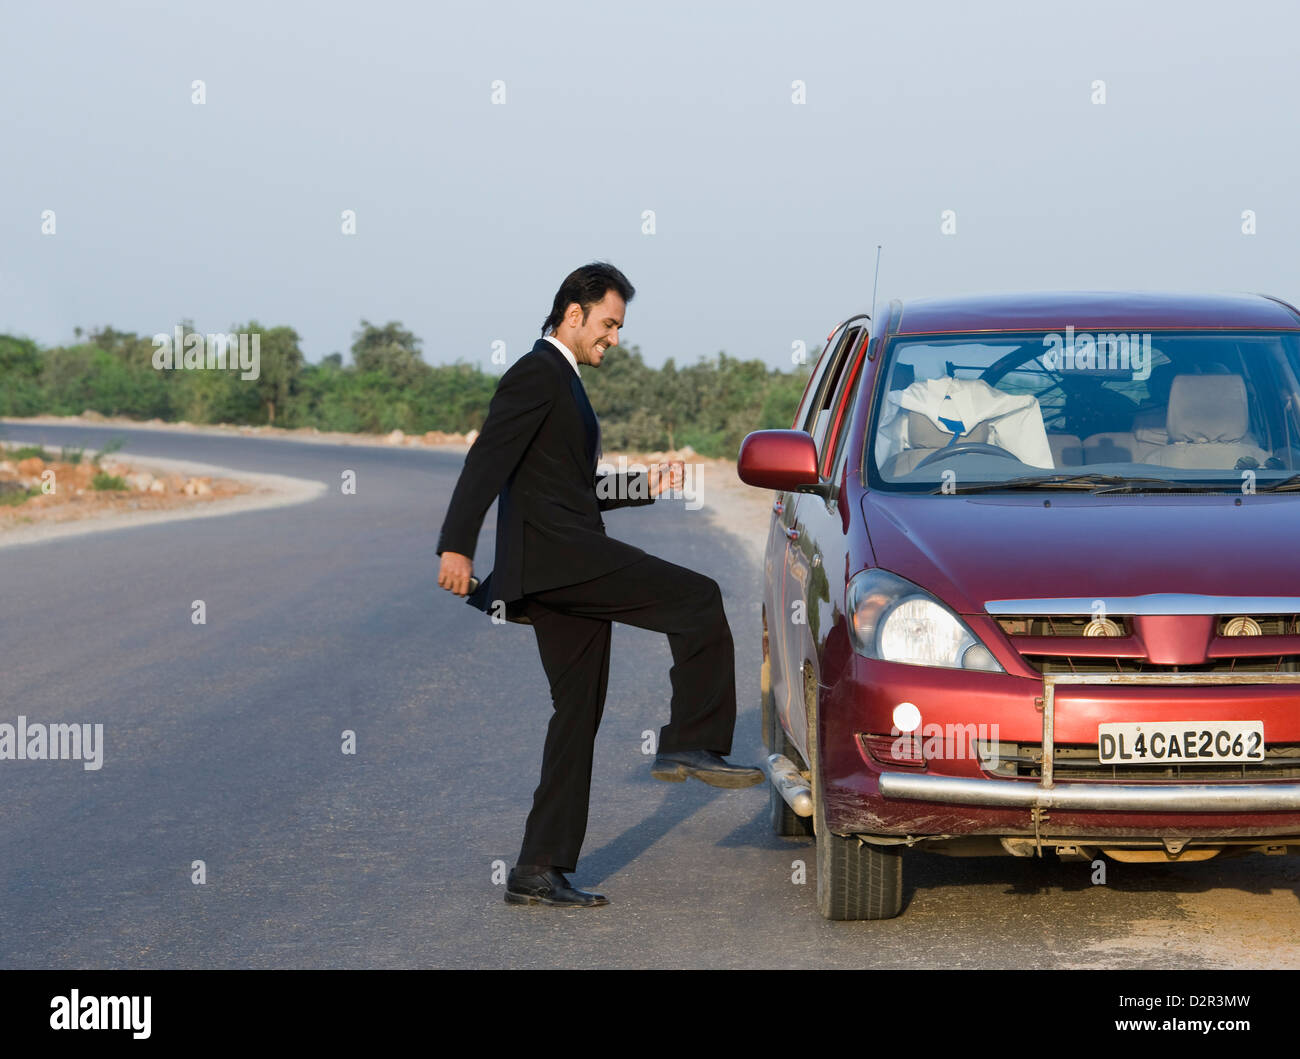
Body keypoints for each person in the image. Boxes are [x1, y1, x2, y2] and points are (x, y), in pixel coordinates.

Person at [436, 262, 762, 908]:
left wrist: (643, 485)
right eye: (609, 324)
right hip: (564, 561)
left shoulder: (564, 382)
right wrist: (456, 543)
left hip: (560, 561)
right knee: (696, 598)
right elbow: (487, 458)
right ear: (572, 314)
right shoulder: (537, 372)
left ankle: (537, 866)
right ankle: (692, 739)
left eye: (619, 327)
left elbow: (569, 492)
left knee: (576, 714)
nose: (614, 338)